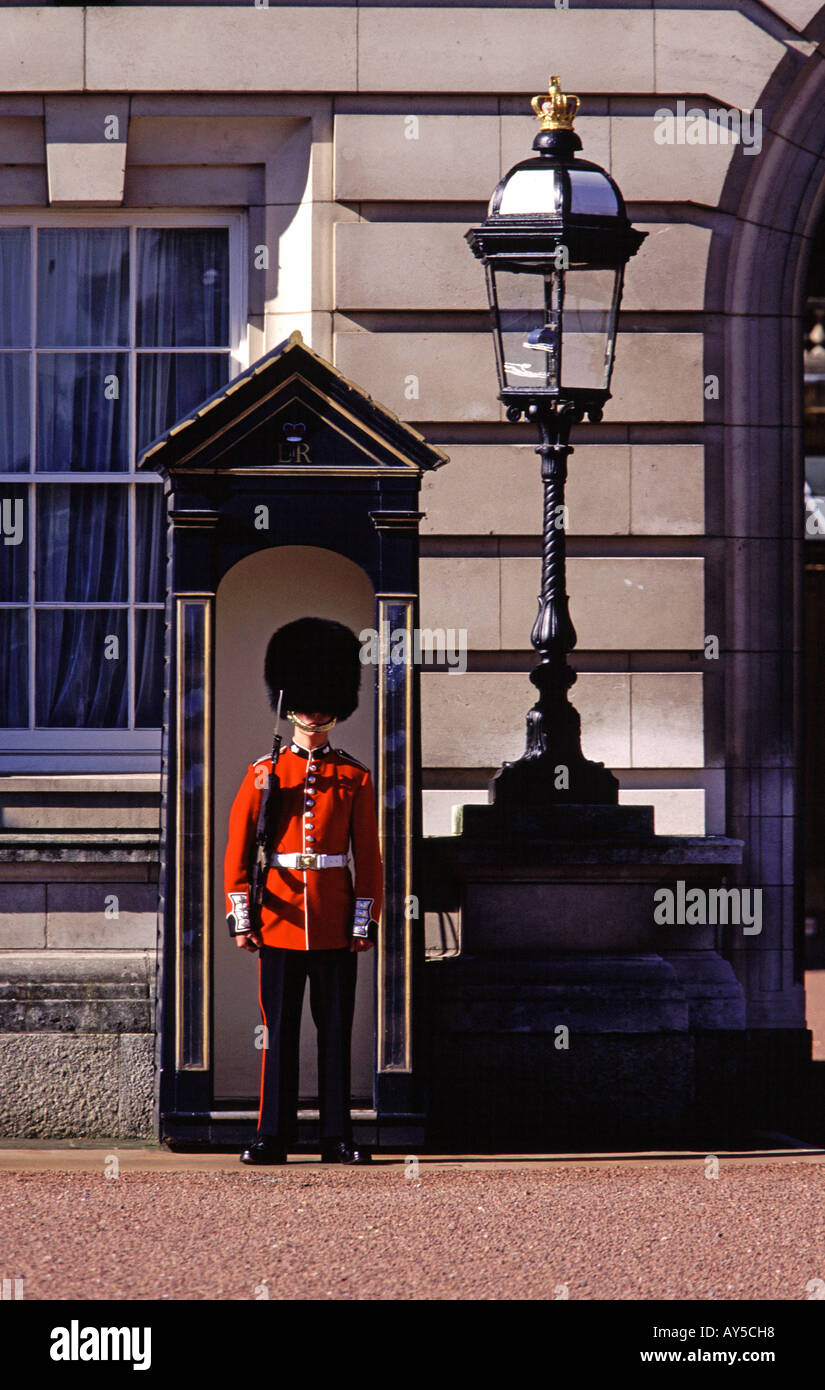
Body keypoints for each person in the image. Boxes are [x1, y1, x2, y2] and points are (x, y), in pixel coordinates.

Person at [223, 617, 382, 1166]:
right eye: (307, 703)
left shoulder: (354, 778)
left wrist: (363, 920)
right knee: (279, 1032)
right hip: (279, 918)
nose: (314, 713)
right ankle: (273, 1135)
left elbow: (368, 858)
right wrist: (242, 917)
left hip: (334, 920)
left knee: (335, 1031)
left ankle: (337, 1136)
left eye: (323, 703)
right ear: (290, 705)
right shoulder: (263, 774)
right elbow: (238, 852)